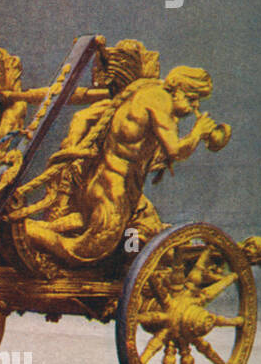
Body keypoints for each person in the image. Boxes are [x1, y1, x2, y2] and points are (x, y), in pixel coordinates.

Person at [23, 66, 229, 265]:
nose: (194, 107)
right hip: (113, 188)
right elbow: (174, 151)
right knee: (85, 250)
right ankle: (26, 230)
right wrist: (197, 133)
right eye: (192, 99)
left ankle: (128, 263)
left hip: (124, 189)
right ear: (179, 89)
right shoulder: (159, 101)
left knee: (148, 229)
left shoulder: (153, 93)